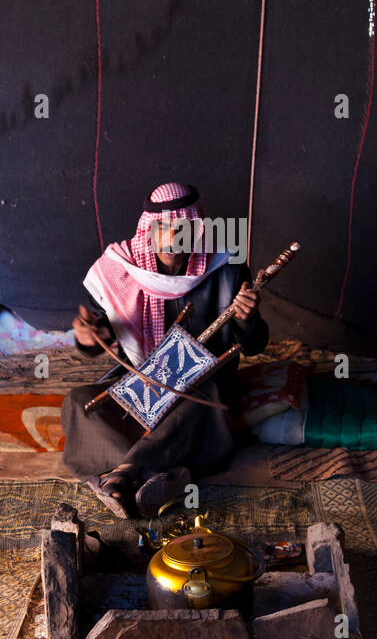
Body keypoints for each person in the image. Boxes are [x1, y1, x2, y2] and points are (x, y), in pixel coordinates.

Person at [60, 181, 268, 515]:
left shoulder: (225, 265)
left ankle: (121, 476)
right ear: (148, 231)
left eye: (181, 231)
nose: (172, 241)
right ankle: (157, 472)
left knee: (200, 402)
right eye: (163, 231)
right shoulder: (119, 268)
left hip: (201, 384)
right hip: (142, 381)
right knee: (79, 404)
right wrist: (88, 339)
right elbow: (97, 338)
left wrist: (247, 318)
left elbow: (255, 345)